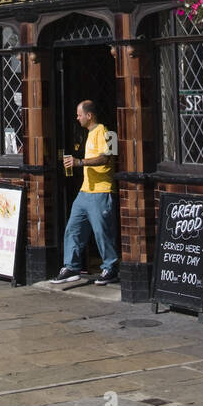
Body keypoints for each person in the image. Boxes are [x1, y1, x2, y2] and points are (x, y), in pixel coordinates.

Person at [50, 100, 119, 285]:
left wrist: (80, 162)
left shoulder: (107, 132)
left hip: (102, 190)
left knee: (102, 233)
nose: (77, 117)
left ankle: (110, 268)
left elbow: (106, 158)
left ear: (89, 115)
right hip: (85, 191)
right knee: (73, 229)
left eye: (80, 114)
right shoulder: (88, 134)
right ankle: (71, 267)